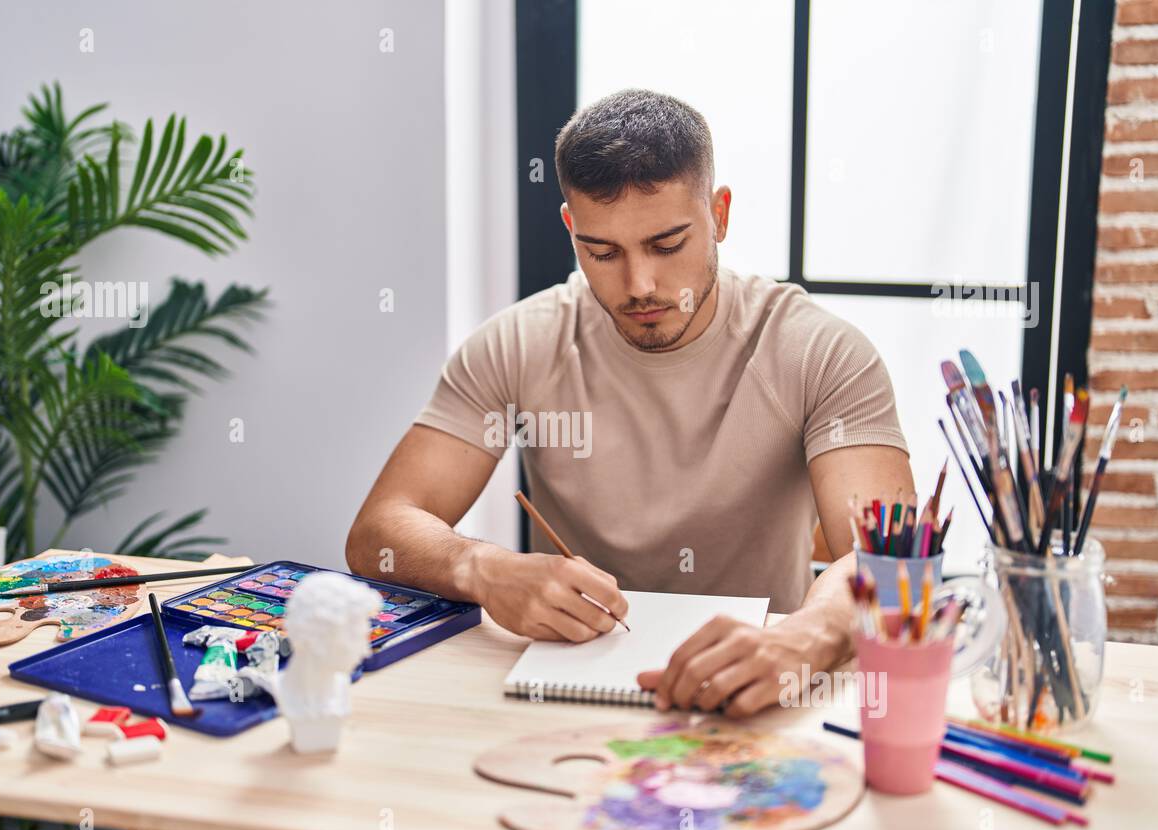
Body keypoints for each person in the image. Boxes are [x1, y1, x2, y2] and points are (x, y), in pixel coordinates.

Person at [347, 89, 914, 716]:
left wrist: (808, 638)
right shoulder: (519, 342)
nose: (640, 285)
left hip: (757, 695)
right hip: (560, 691)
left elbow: (894, 562)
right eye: (603, 252)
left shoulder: (820, 351)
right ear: (571, 229)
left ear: (719, 215)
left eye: (667, 245)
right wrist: (483, 569)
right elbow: (380, 528)